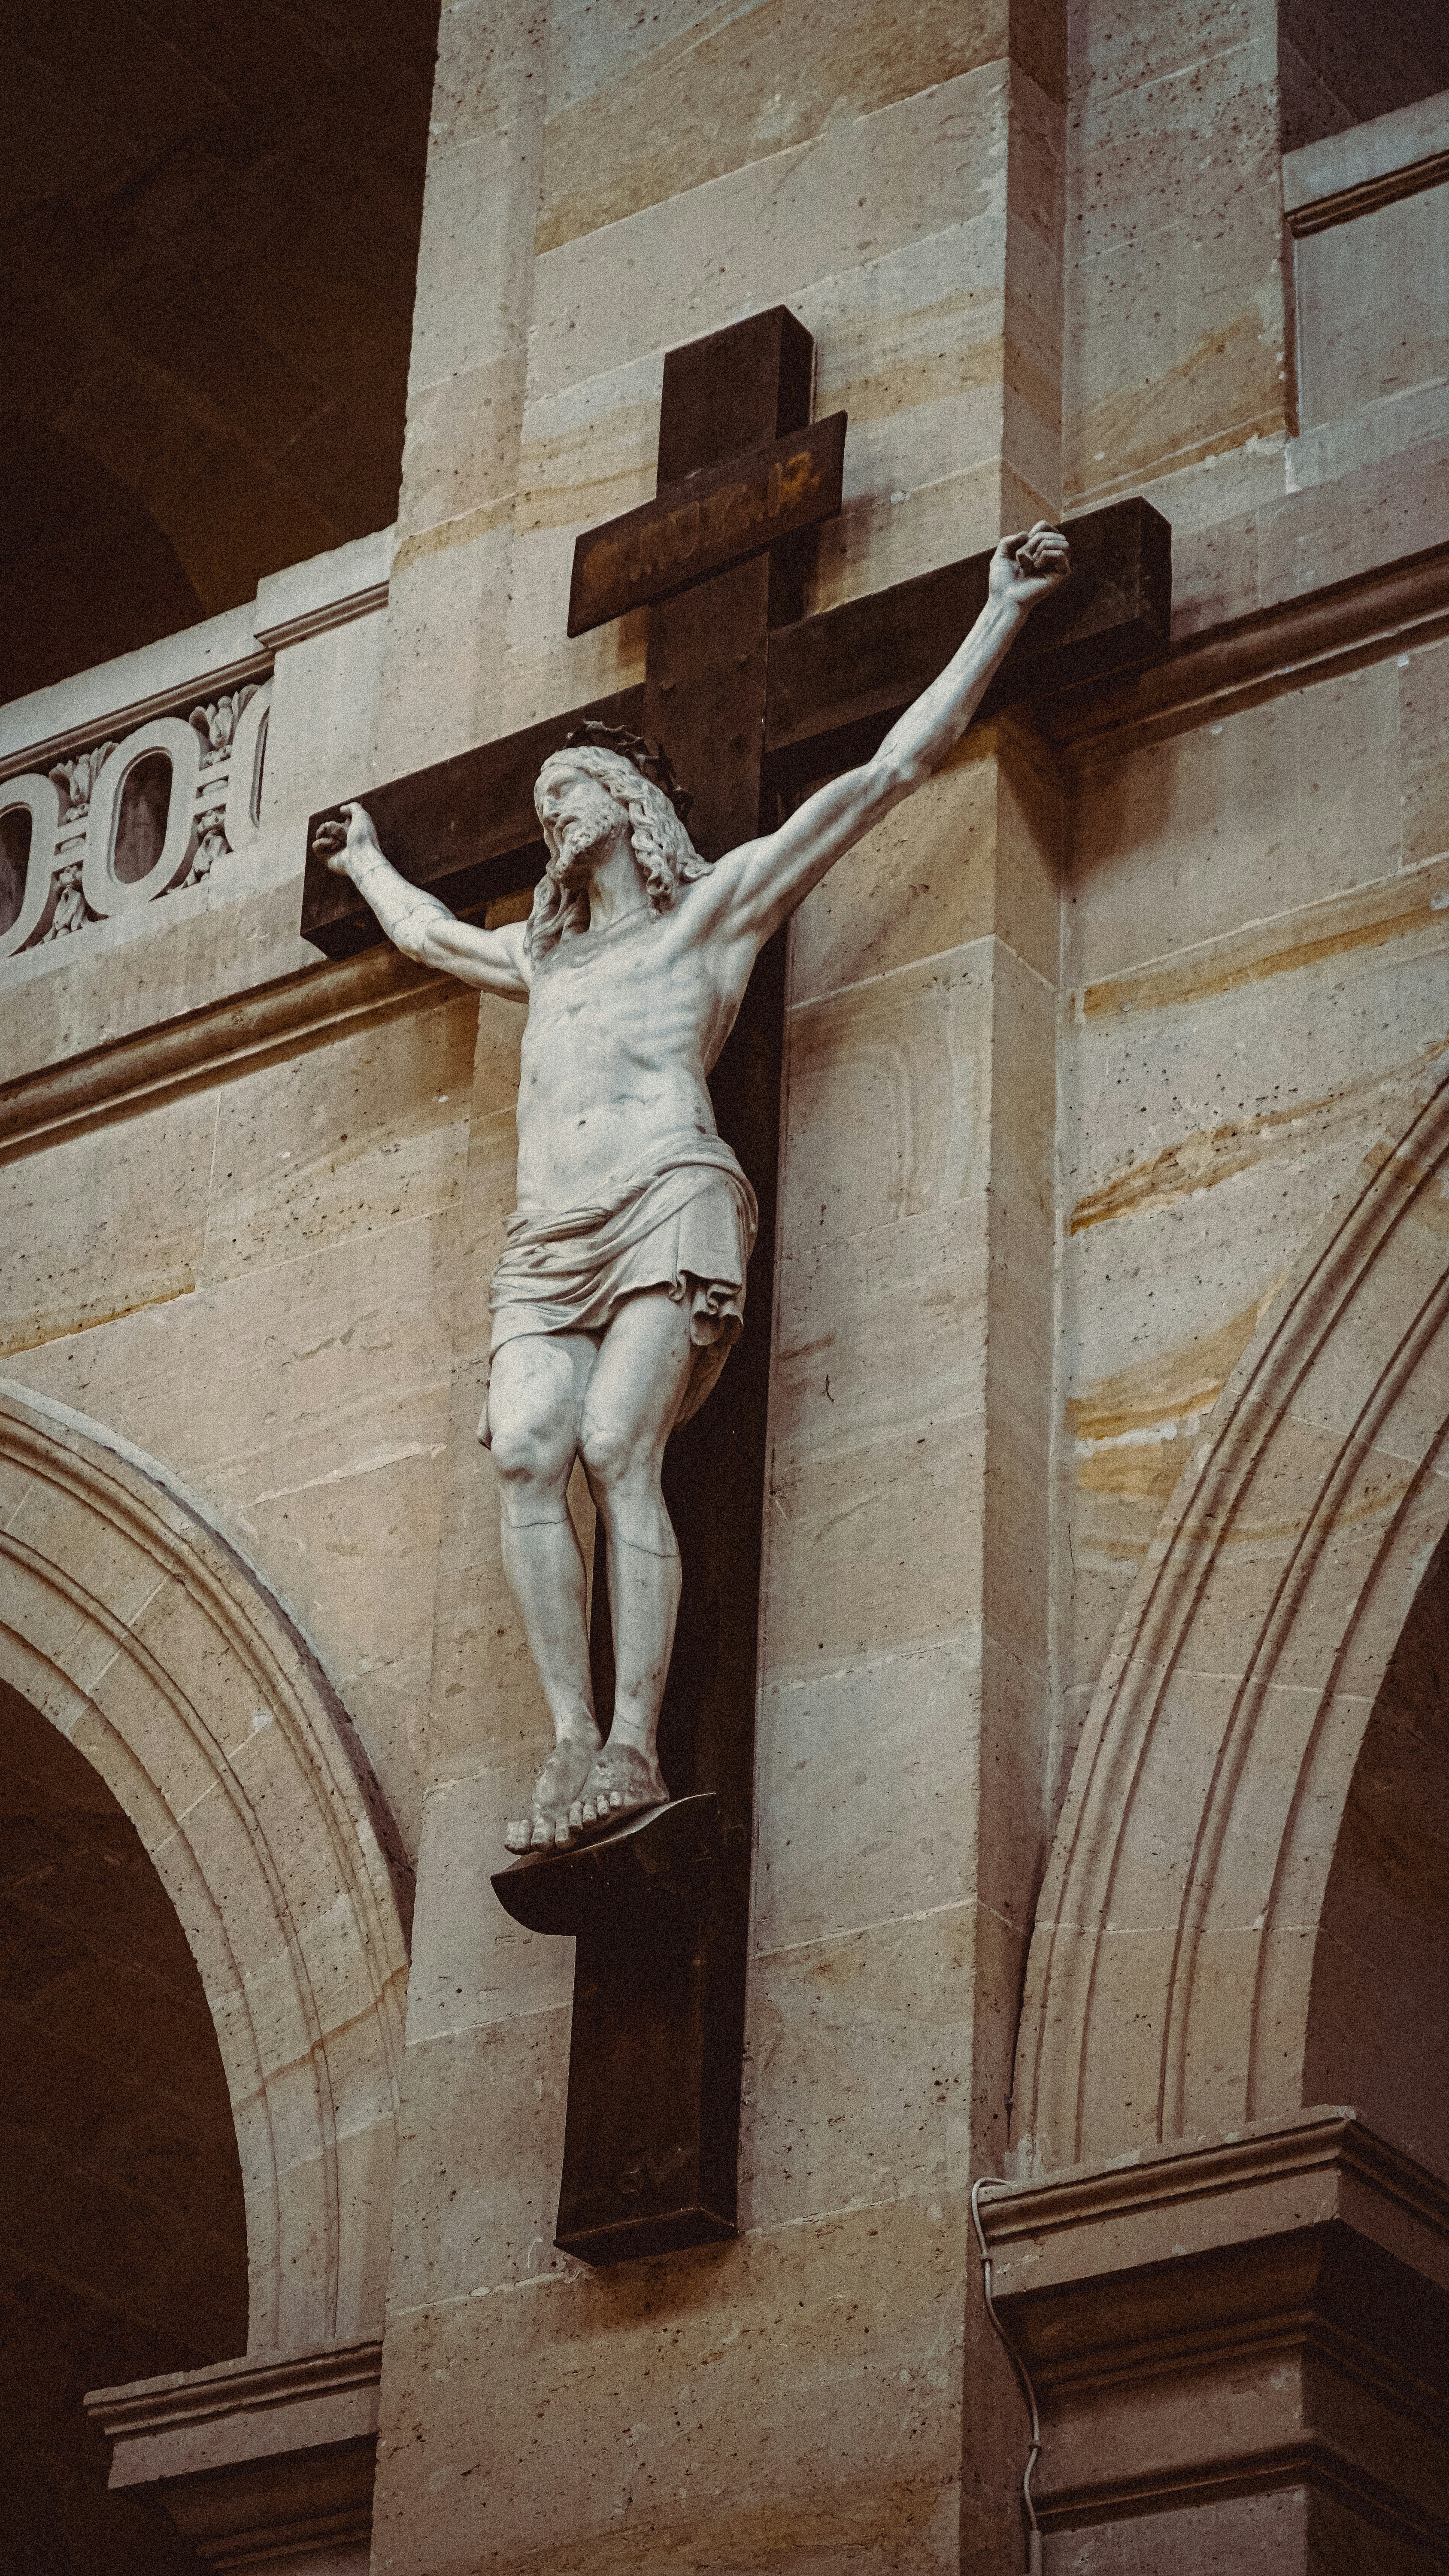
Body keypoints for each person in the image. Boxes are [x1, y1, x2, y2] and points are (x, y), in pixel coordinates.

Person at [315, 520, 1070, 1852]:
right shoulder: (542, 963)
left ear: (628, 804)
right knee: (531, 1457)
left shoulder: (711, 915)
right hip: (546, 1241)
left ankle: (631, 1748)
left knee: (619, 1447)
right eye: (543, 795)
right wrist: (369, 860)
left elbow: (890, 773)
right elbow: (433, 934)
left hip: (667, 1195)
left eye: (573, 787)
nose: (552, 807)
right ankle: (564, 1745)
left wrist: (1000, 611)